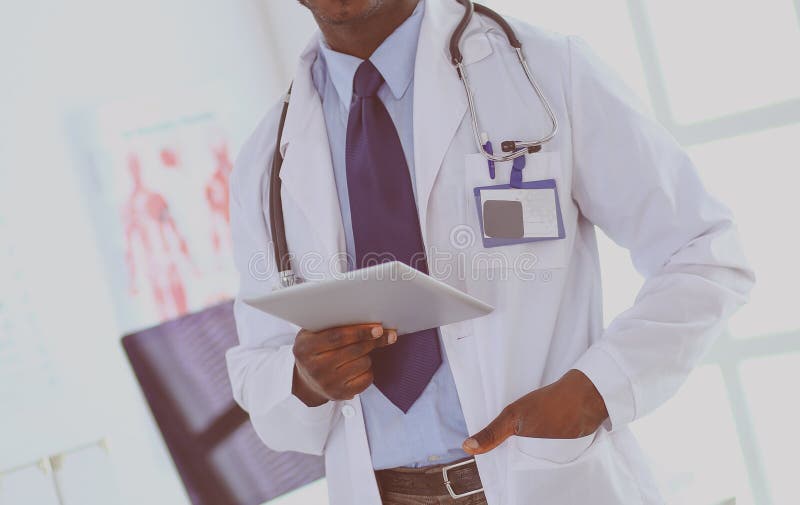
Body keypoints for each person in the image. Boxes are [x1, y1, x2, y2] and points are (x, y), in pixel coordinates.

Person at [225, 1, 754, 503]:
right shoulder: (265, 158)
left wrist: (595, 391)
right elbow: (257, 369)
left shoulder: (546, 72)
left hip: (543, 477)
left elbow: (704, 252)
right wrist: (304, 381)